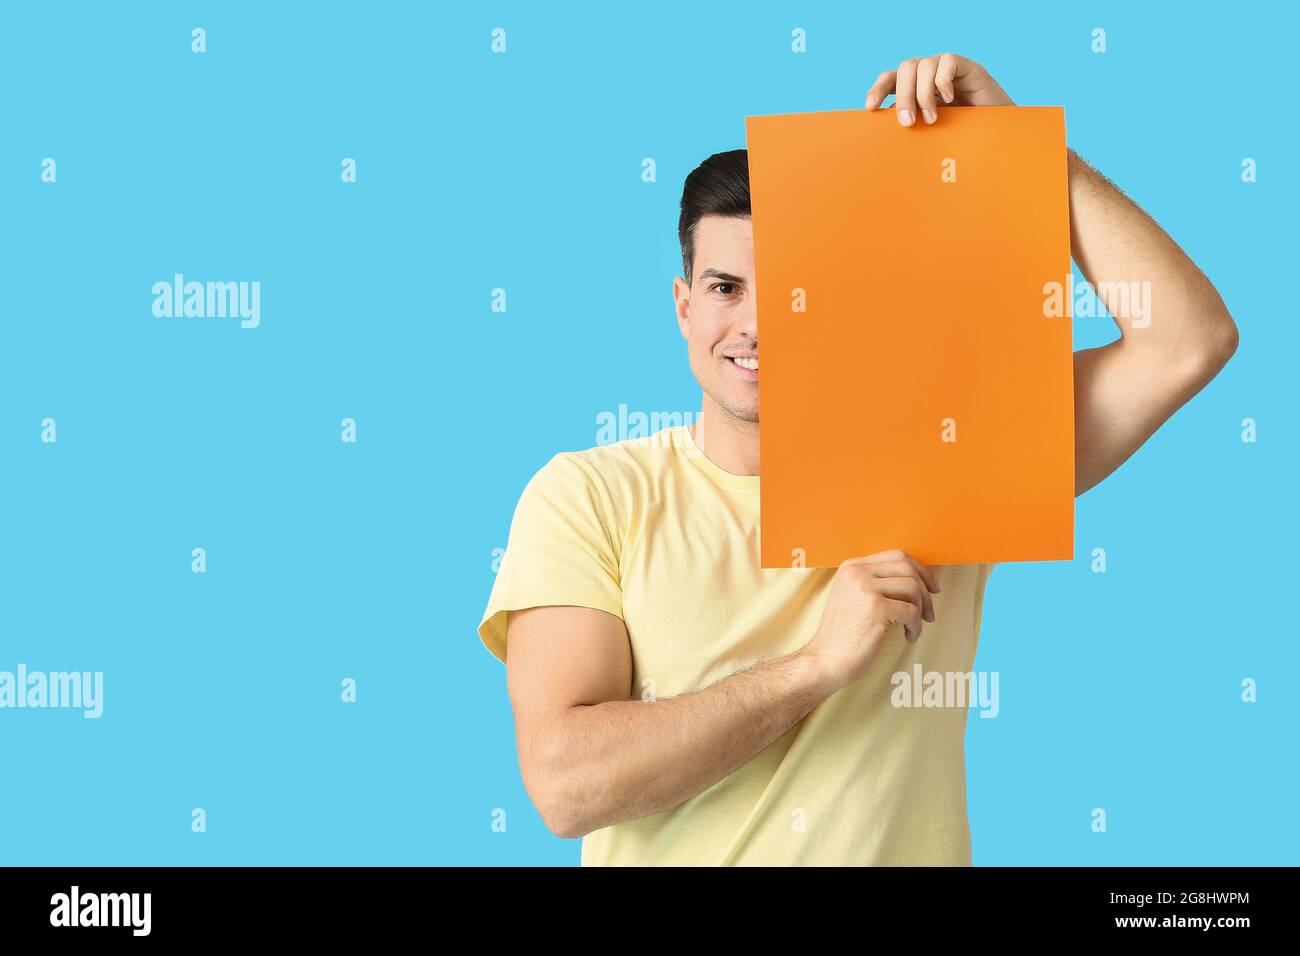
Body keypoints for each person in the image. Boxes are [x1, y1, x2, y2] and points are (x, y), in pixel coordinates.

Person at [476, 53, 1238, 865]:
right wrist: (814, 668)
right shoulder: (588, 496)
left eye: (792, 287)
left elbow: (1187, 341)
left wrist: (1030, 153)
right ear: (683, 303)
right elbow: (565, 786)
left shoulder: (954, 454)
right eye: (727, 288)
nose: (757, 326)